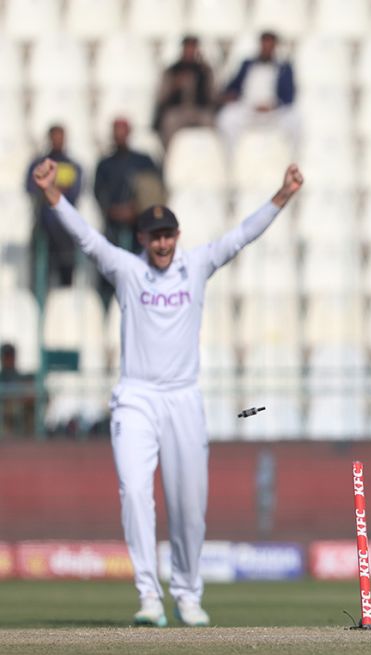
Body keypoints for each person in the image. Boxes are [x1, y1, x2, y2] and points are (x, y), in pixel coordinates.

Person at [31, 156, 304, 627]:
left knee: (189, 506)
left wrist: (281, 196)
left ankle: (188, 593)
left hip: (183, 398)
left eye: (168, 235)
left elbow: (240, 236)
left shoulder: (196, 265)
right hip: (136, 397)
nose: (161, 243)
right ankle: (149, 597)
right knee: (135, 493)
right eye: (154, 236)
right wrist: (54, 195)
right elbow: (86, 238)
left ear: (177, 236)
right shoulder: (126, 270)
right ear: (142, 239)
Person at [94, 117, 165, 309]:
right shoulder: (105, 164)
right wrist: (113, 211)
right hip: (113, 226)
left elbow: (154, 191)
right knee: (109, 269)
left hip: (140, 228)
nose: (119, 135)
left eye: (122, 130)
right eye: (116, 131)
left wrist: (135, 210)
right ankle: (107, 308)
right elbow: (99, 193)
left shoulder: (143, 161)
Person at [216, 30, 299, 153]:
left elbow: (289, 95)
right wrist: (231, 95)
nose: (267, 48)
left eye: (270, 44)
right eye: (265, 44)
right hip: (248, 110)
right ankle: (232, 157)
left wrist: (274, 105)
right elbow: (233, 86)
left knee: (295, 120)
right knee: (227, 118)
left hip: (274, 112)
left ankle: (292, 159)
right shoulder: (247, 64)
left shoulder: (285, 68)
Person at [25, 125, 83, 289]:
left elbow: (73, 193)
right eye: (55, 136)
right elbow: (31, 188)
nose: (58, 140)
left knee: (66, 278)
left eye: (61, 136)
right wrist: (55, 188)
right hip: (43, 225)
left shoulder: (73, 166)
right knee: (40, 275)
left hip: (65, 228)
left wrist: (49, 189)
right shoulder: (38, 164)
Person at [152, 35, 217, 148]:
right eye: (188, 48)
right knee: (169, 122)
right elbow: (161, 97)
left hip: (199, 110)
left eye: (193, 48)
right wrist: (175, 85)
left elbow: (212, 96)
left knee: (209, 121)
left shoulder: (205, 70)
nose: (190, 51)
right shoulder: (171, 71)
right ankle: (170, 154)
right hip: (178, 111)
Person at [0, 343, 36, 437]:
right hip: (6, 421)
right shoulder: (2, 377)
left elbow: (34, 395)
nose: (9, 359)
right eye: (6, 356)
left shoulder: (23, 377)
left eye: (11, 355)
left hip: (23, 421)